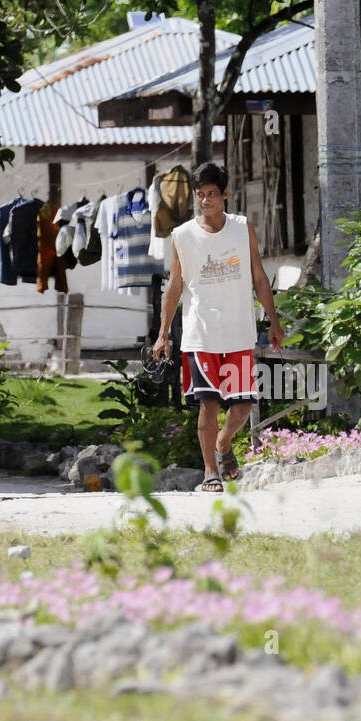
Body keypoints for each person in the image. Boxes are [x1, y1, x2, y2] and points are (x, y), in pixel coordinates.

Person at [152, 162, 284, 492]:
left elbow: (258, 277)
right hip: (200, 333)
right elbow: (175, 285)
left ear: (225, 194)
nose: (206, 200)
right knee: (208, 403)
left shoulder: (242, 228)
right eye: (201, 195)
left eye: (212, 194)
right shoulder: (182, 236)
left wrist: (274, 320)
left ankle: (224, 444)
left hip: (239, 332)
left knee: (242, 405)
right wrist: (163, 332)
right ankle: (210, 471)